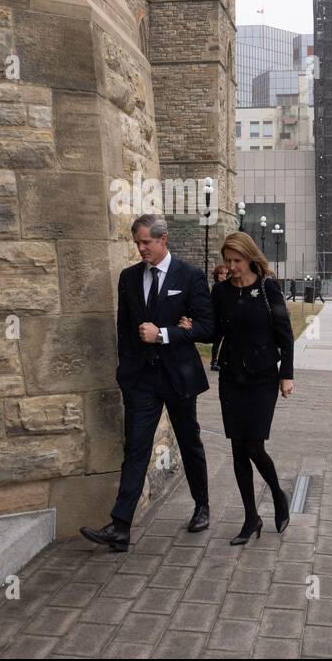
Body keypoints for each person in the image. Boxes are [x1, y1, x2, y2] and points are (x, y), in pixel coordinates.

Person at [80, 215, 213, 552]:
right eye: (137, 243)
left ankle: (202, 506)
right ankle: (121, 527)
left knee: (189, 440)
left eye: (146, 243)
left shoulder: (190, 275)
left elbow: (207, 327)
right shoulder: (128, 278)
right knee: (136, 448)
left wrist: (166, 333)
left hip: (178, 377)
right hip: (141, 381)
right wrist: (127, 373)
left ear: (163, 239)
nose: (140, 249)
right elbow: (125, 330)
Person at [182, 233, 293, 544]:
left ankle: (277, 493)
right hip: (232, 379)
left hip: (263, 378)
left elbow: (285, 334)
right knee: (237, 450)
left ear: (250, 258)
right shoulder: (220, 292)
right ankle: (250, 518)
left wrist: (287, 375)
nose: (231, 266)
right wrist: (193, 330)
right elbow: (214, 333)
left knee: (254, 446)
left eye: (237, 261)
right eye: (228, 261)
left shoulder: (268, 287)